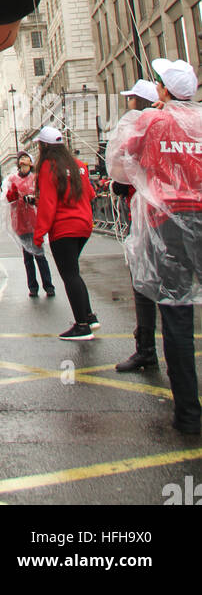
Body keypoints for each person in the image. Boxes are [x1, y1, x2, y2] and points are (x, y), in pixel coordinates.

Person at [107, 58, 202, 435]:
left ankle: (189, 416)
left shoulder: (151, 121)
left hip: (169, 226)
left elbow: (117, 165)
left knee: (177, 317)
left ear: (162, 90)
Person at [107, 79, 159, 372]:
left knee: (144, 280)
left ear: (138, 101)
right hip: (174, 212)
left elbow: (119, 169)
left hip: (147, 215)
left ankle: (146, 348)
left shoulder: (137, 127)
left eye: (131, 99)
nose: (128, 103)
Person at [32, 126, 97, 341]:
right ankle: (89, 316)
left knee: (69, 275)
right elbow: (91, 194)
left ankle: (81, 326)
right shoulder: (78, 165)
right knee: (74, 272)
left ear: (43, 146)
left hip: (64, 228)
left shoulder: (49, 167)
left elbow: (48, 204)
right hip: (84, 226)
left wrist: (39, 234)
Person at [4, 152, 55, 298]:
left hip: (35, 221)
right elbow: (10, 199)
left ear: (31, 163)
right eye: (20, 158)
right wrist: (12, 193)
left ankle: (48, 286)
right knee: (27, 257)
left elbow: (43, 196)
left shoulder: (36, 178)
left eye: (26, 157)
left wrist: (34, 200)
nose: (22, 159)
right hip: (20, 221)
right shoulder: (12, 179)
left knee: (39, 254)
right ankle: (33, 287)